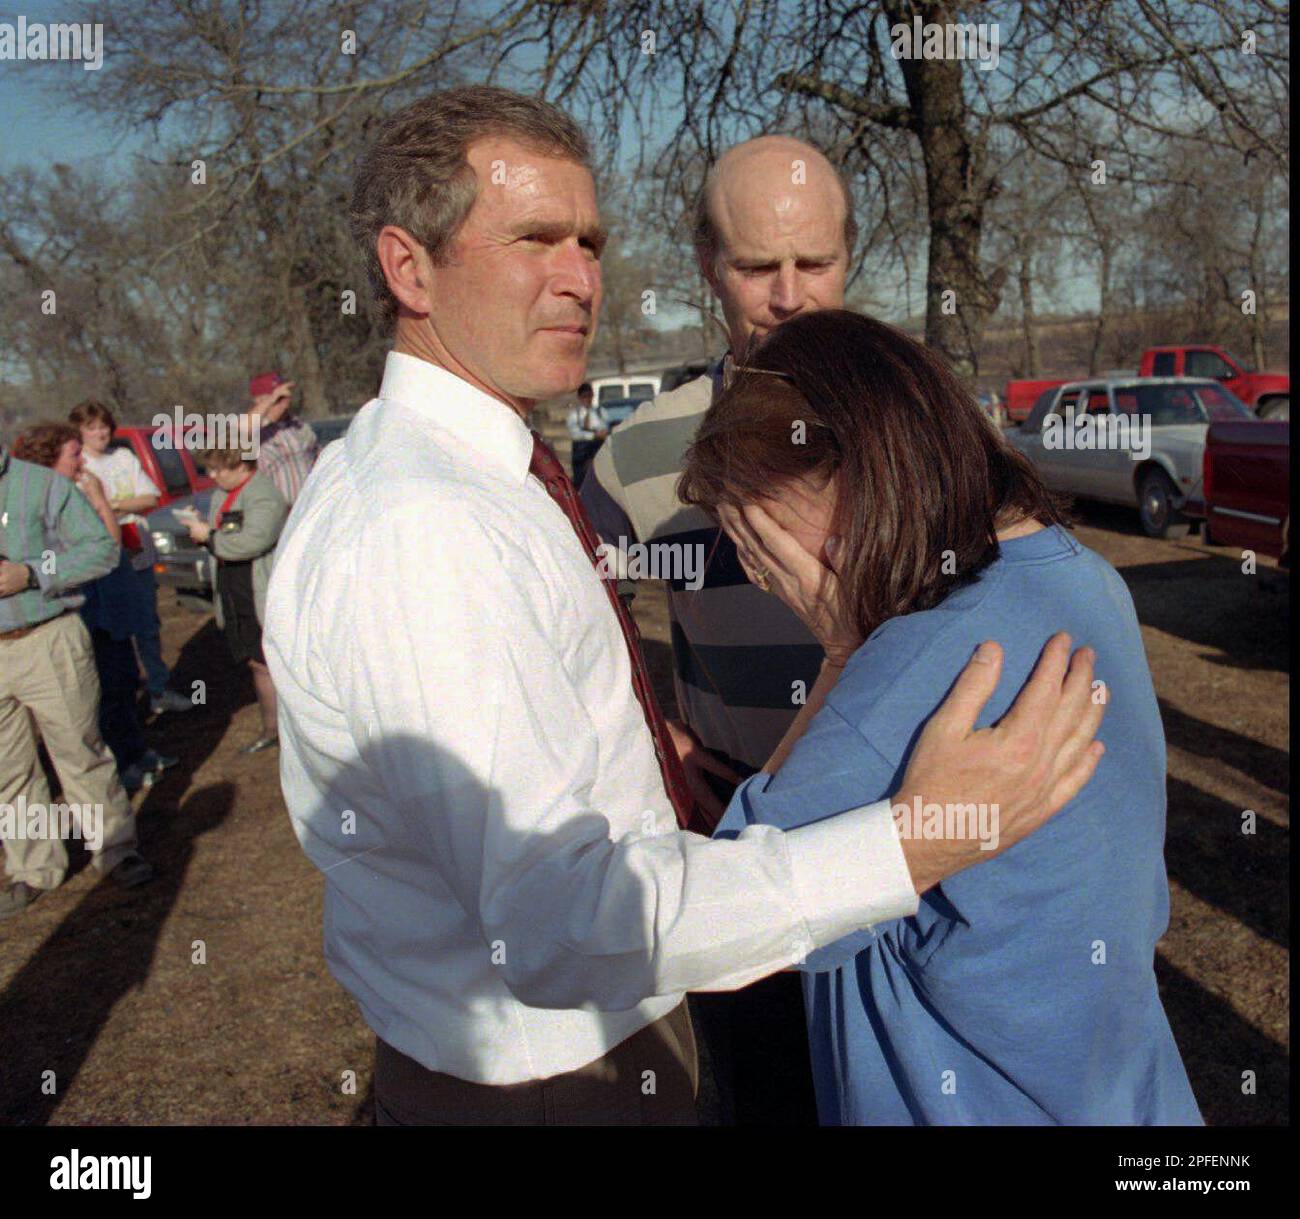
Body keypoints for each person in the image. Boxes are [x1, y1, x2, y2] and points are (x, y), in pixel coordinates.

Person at [264, 85, 1105, 1127]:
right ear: (407, 266)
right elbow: (563, 925)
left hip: (679, 964)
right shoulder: (424, 528)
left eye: (590, 243)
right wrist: (911, 841)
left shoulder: (480, 482)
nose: (579, 281)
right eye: (535, 239)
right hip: (560, 1065)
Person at [680, 309, 1201, 1125]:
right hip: (1129, 1091)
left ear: (854, 477)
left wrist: (845, 658)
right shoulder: (1083, 574)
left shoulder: (907, 674)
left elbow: (728, 920)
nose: (758, 569)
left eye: (760, 528)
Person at [580, 133, 855, 1124]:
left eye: (812, 262)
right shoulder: (636, 456)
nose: (788, 295)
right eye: (755, 266)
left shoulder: (932, 420)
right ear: (708, 266)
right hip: (742, 858)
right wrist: (660, 740)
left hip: (919, 843)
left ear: (849, 257)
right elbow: (576, 633)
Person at [0, 433, 154, 919]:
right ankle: (34, 869)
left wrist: (32, 572)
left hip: (48, 638)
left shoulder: (42, 485)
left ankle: (114, 850)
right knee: (8, 773)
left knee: (79, 752)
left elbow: (100, 551)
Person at [14, 423, 178, 794]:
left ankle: (136, 752)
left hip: (109, 604)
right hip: (82, 610)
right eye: (74, 454)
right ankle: (121, 764)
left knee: (122, 680)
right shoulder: (47, 502)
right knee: (101, 692)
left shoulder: (73, 491)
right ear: (50, 458)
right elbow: (103, 545)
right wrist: (101, 502)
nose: (82, 461)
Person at [70, 399, 194, 716]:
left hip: (136, 548)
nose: (100, 433)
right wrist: (119, 506)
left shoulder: (123, 457)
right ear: (80, 433)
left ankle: (159, 688)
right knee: (111, 631)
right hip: (101, 558)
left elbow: (150, 496)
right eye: (91, 428)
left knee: (147, 623)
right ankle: (119, 698)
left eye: (104, 426)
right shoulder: (77, 465)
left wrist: (113, 506)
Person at [185, 445, 288, 755]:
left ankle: (286, 729)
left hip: (259, 591)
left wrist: (211, 537)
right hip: (236, 590)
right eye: (210, 470)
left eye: (219, 470)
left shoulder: (264, 495)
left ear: (242, 465)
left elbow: (253, 540)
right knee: (258, 663)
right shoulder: (223, 495)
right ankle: (272, 729)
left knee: (272, 663)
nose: (213, 477)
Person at [243, 372, 319, 506]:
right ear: (259, 401)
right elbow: (236, 433)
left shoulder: (299, 427)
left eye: (286, 397)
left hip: (310, 508)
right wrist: (272, 399)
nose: (285, 403)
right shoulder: (254, 431)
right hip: (277, 513)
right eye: (278, 399)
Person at [564, 381, 606, 487]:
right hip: (581, 451)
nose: (587, 399)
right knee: (580, 481)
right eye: (584, 396)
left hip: (597, 449)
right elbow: (574, 433)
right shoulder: (575, 414)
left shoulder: (600, 412)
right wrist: (593, 435)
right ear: (579, 397)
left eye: (589, 396)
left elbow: (605, 428)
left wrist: (602, 433)